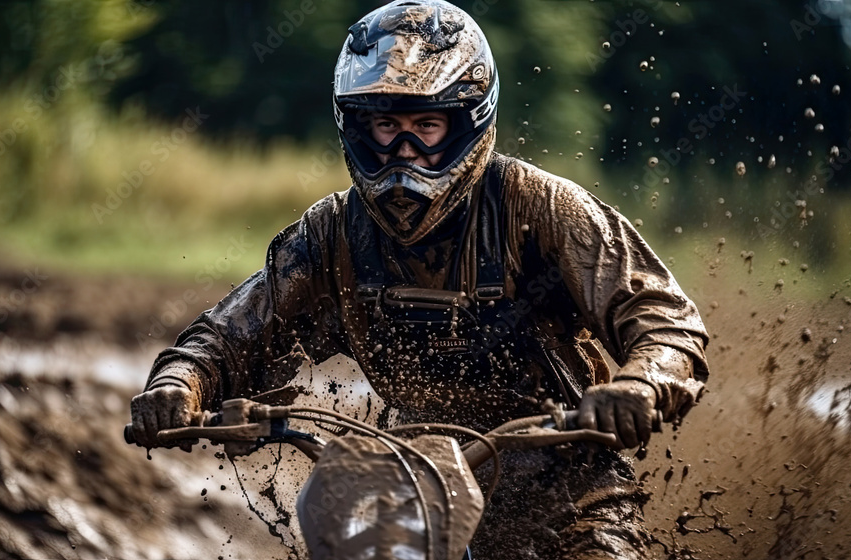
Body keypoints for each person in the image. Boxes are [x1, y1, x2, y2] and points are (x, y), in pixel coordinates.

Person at [130, 1, 710, 558]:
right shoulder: (332, 232)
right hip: (411, 476)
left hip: (567, 481)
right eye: (386, 127)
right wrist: (180, 386)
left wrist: (641, 386)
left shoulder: (543, 208)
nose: (403, 152)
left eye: (426, 126)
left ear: (466, 123)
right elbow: (231, 332)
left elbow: (663, 320)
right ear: (357, 128)